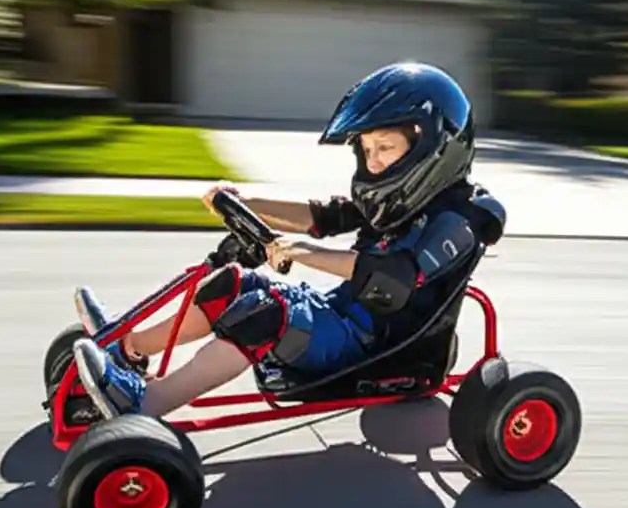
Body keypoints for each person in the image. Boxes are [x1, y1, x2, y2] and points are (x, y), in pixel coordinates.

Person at [68, 62, 506, 426]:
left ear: (431, 146)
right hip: (338, 314)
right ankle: (128, 351)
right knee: (229, 286)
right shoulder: (390, 200)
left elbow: (396, 280)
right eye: (366, 149)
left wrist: (300, 253)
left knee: (263, 315)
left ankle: (147, 404)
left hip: (374, 345)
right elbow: (320, 215)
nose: (372, 162)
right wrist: (243, 199)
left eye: (385, 147)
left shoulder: (460, 219)